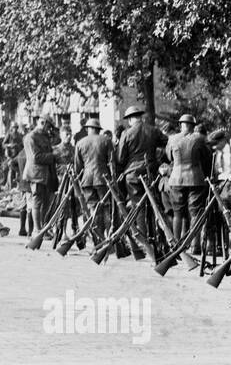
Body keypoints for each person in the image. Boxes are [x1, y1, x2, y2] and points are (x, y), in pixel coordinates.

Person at [115, 105, 157, 254]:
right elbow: (167, 144)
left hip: (132, 175)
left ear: (131, 119)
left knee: (137, 206)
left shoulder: (126, 134)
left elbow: (120, 158)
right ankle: (154, 238)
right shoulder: (152, 130)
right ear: (140, 117)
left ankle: (143, 239)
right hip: (150, 173)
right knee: (153, 206)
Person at [167, 114, 209, 247]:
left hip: (176, 178)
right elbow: (206, 157)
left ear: (181, 125)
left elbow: (169, 157)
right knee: (195, 213)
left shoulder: (172, 139)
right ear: (193, 125)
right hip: (195, 178)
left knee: (177, 213)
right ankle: (195, 245)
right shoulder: (200, 139)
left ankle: (175, 244)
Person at [74, 117, 115, 240]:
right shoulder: (106, 140)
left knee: (93, 208)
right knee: (106, 207)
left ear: (88, 129)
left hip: (87, 180)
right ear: (98, 129)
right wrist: (113, 178)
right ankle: (109, 236)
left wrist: (80, 180)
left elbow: (78, 166)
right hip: (103, 179)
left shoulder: (80, 143)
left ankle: (97, 237)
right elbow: (111, 162)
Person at [22, 116, 58, 231]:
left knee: (46, 203)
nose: (49, 130)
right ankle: (38, 230)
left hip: (46, 175)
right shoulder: (31, 137)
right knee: (37, 203)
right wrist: (54, 156)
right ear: (42, 123)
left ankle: (43, 228)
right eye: (48, 127)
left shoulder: (44, 137)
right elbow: (36, 157)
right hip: (36, 175)